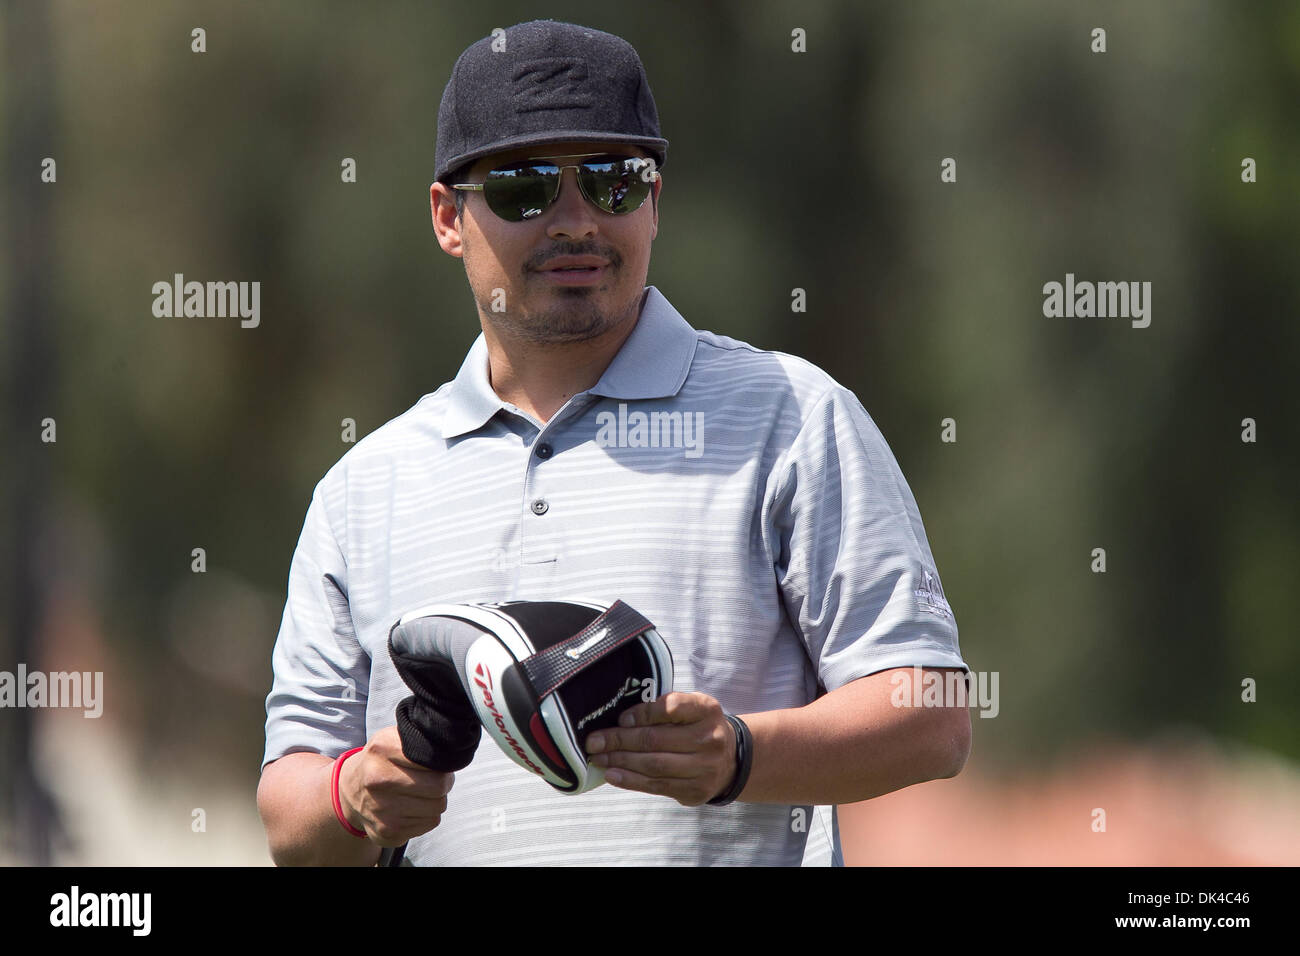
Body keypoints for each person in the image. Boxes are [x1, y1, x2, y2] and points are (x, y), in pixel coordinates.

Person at [257, 18, 971, 867]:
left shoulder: (793, 415)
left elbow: (931, 715)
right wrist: (353, 797)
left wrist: (739, 755)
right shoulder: (362, 488)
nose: (576, 222)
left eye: (613, 182)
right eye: (525, 189)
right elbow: (287, 811)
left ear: (656, 203)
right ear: (449, 217)